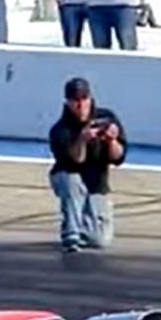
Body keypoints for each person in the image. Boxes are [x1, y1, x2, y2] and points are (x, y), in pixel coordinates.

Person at [47, 77, 126, 253]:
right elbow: (76, 159)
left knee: (99, 240)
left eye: (84, 100)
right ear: (68, 103)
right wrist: (82, 139)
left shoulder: (107, 118)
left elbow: (119, 158)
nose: (80, 106)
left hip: (96, 183)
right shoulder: (60, 130)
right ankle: (71, 233)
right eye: (75, 101)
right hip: (68, 175)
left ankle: (84, 225)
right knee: (73, 183)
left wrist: (111, 141)